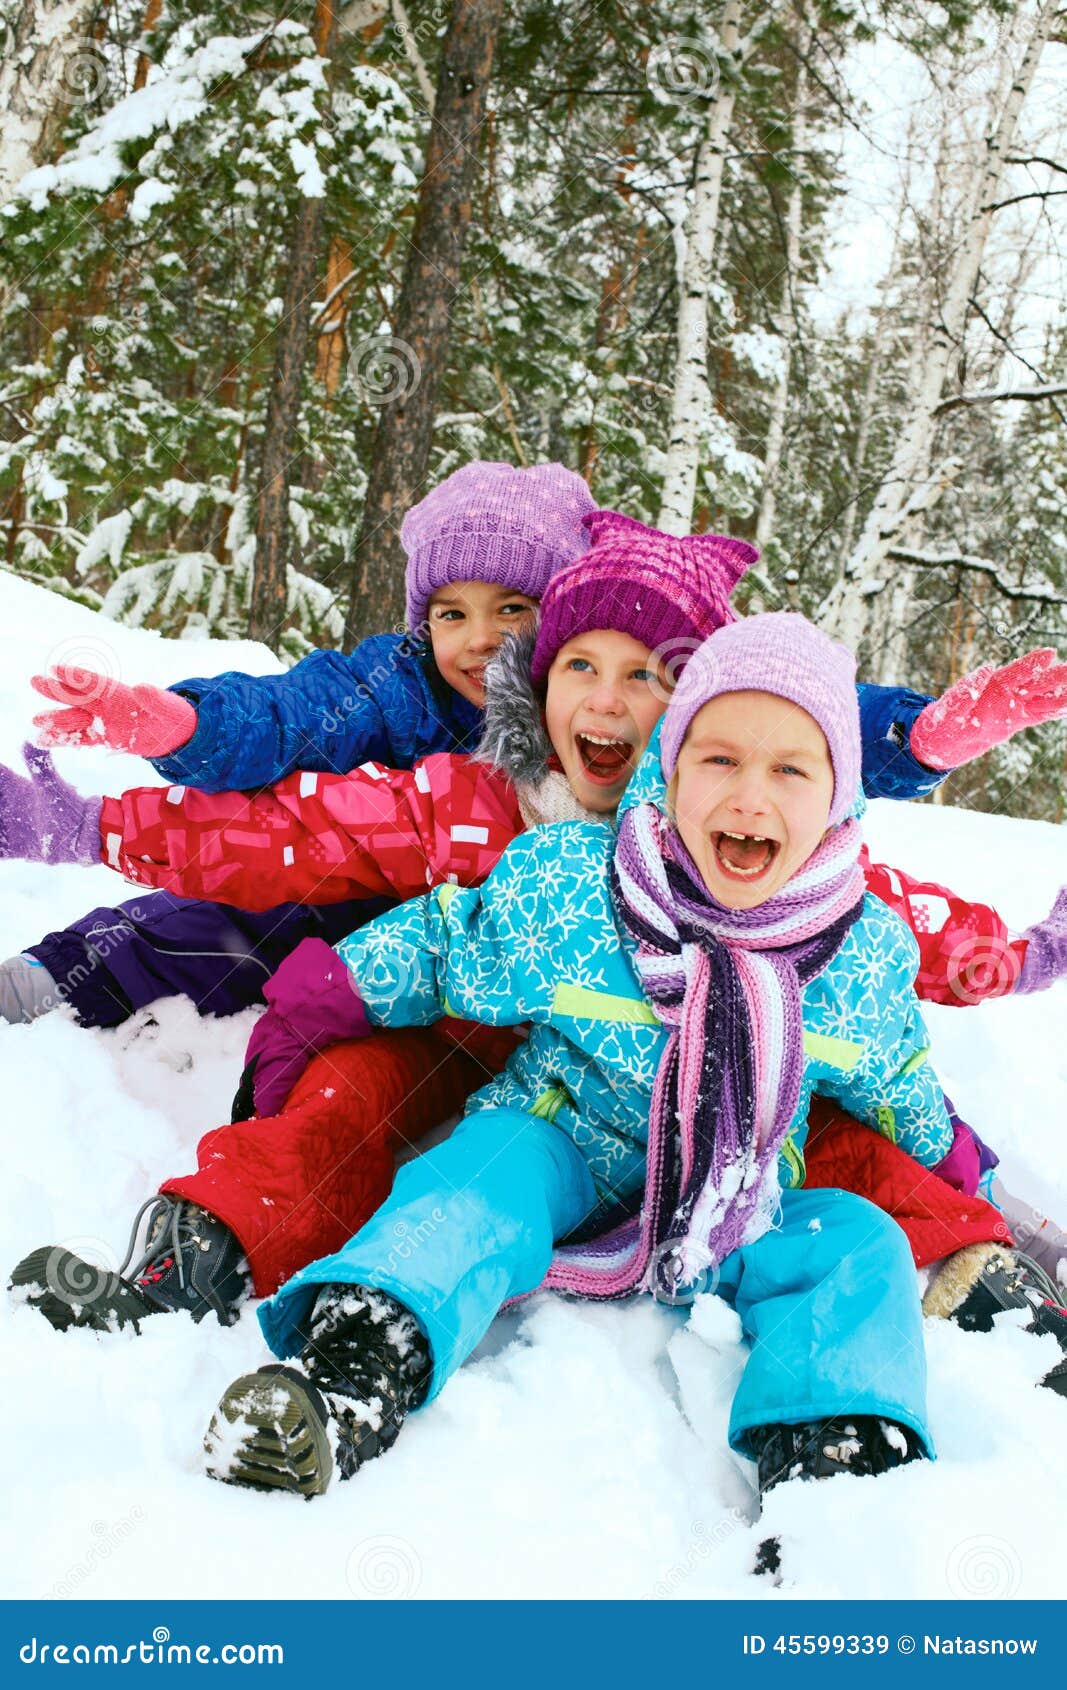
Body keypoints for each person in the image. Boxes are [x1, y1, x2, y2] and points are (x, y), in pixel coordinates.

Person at [199, 613, 977, 1502]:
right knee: (471, 1182)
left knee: (858, 1244)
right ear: (668, 766)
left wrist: (955, 1160)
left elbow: (897, 1076)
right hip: (558, 1137)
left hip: (738, 1190)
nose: (749, 798)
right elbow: (451, 944)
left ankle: (837, 1460)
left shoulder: (860, 951)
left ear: (839, 797)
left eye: (790, 770)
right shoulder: (574, 882)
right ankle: (357, 1360)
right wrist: (324, 996)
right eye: (718, 759)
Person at [0, 460, 596, 1028]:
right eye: (451, 614)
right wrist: (191, 726)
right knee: (273, 886)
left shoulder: (596, 713)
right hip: (376, 916)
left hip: (520, 973)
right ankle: (61, 976)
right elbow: (297, 713)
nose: (479, 640)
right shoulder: (401, 685)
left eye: (513, 609)